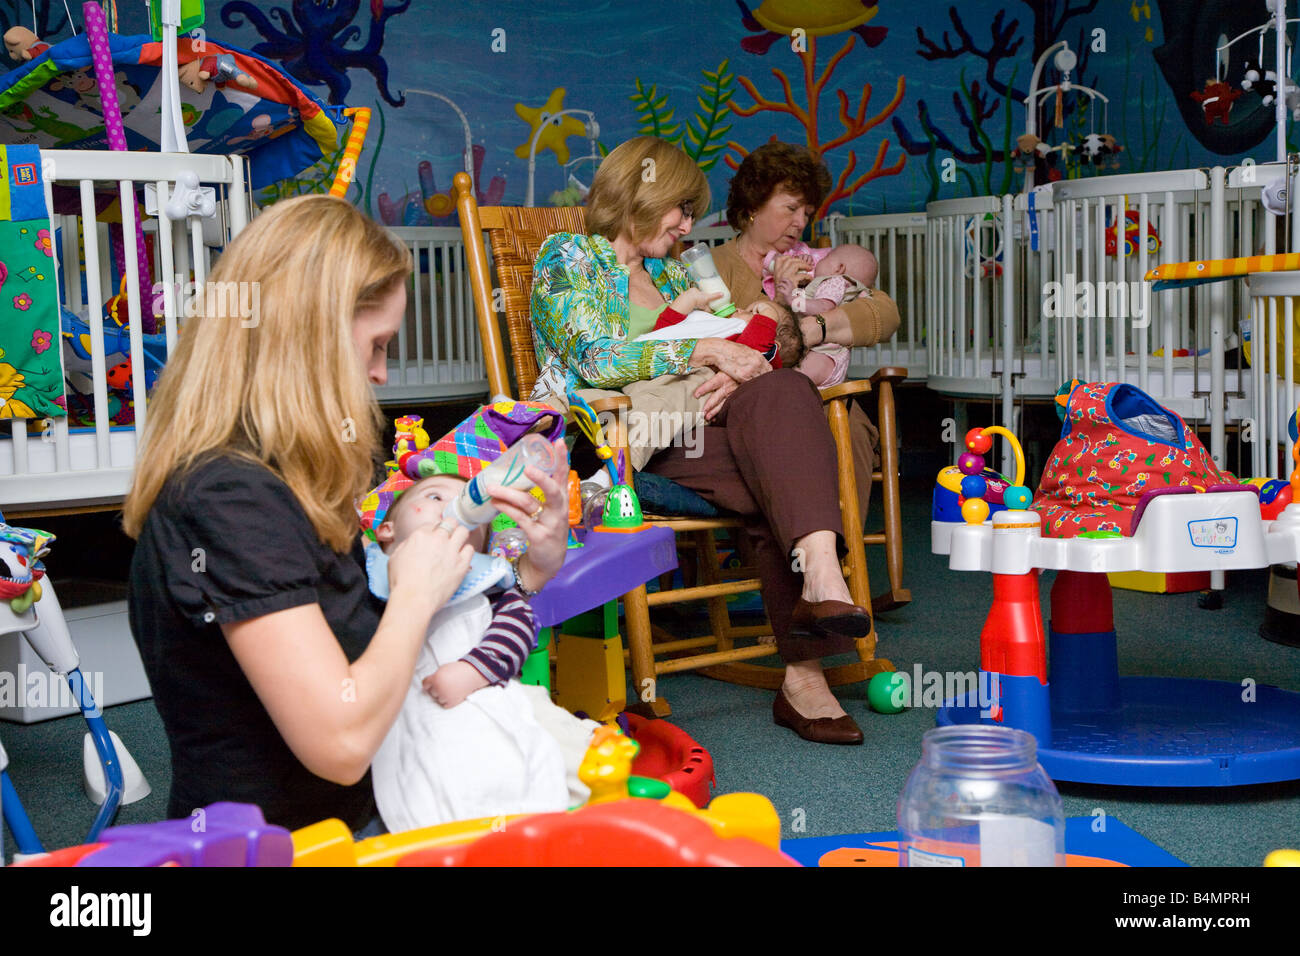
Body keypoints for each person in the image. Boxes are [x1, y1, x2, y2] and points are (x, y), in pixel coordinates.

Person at [122, 195, 571, 831]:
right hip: (285, 843)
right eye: (377, 346)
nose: (383, 374)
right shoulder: (229, 498)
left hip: (367, 811)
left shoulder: (287, 477)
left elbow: (359, 631)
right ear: (310, 335)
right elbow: (339, 743)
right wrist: (417, 591)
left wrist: (530, 573)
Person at [529, 135, 871, 744]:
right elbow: (595, 358)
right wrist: (704, 349)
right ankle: (806, 671)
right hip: (621, 437)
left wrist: (728, 360)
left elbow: (752, 333)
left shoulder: (676, 269)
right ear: (641, 192)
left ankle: (820, 576)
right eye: (681, 208)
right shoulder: (571, 258)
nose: (689, 225)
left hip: (704, 423)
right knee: (776, 469)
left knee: (784, 393)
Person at [360, 426, 599, 833]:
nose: (448, 512)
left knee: (544, 745)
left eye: (466, 511)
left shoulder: (482, 585)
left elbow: (519, 624)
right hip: (404, 720)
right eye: (434, 498)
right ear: (385, 529)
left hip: (486, 702)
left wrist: (474, 670)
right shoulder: (367, 581)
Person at [713, 142, 903, 517]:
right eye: (790, 208)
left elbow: (885, 314)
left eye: (806, 212)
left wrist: (813, 328)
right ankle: (799, 550)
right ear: (753, 205)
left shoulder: (815, 262)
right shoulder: (716, 265)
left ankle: (840, 555)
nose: (800, 222)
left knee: (849, 425)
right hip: (752, 397)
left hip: (825, 395)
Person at [764, 243, 879, 389]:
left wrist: (793, 299)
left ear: (839, 268)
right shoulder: (840, 287)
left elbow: (824, 307)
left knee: (788, 382)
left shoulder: (834, 282)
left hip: (824, 356)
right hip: (826, 358)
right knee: (790, 382)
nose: (819, 262)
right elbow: (808, 304)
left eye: (826, 258)